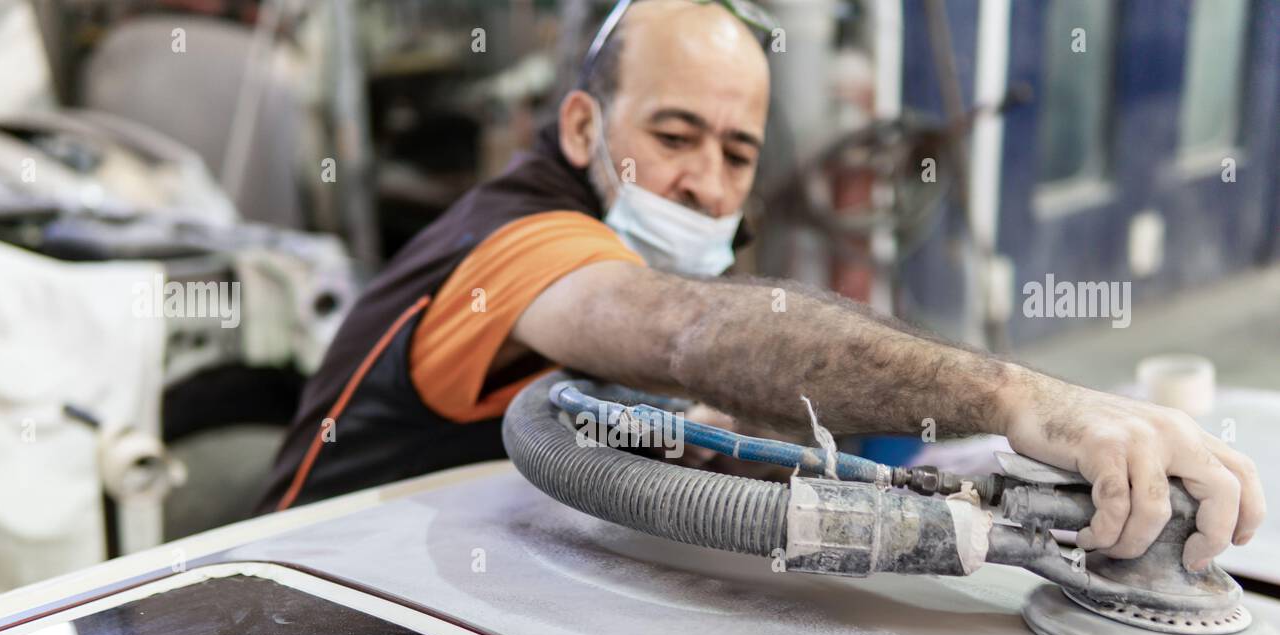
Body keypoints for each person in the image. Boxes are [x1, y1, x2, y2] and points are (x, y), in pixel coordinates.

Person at [258, 0, 1263, 573]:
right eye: (672, 135)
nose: (705, 180)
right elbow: (686, 333)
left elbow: (737, 362)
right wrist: (1028, 402)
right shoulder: (519, 246)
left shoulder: (662, 239)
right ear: (579, 131)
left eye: (737, 151)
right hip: (303, 632)